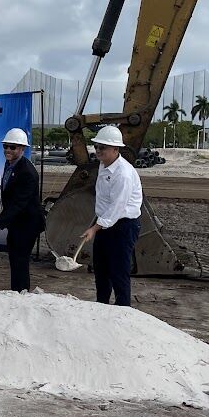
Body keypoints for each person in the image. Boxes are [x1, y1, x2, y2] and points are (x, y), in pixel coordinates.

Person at [80, 125, 143, 306]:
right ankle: (102, 306)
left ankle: (123, 308)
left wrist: (94, 228)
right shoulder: (103, 165)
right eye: (97, 146)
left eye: (103, 147)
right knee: (101, 269)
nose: (98, 150)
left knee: (118, 270)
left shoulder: (123, 174)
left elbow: (116, 208)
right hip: (106, 224)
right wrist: (96, 223)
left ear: (116, 149)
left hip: (123, 226)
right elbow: (104, 203)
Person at [0, 128, 46, 292]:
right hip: (17, 222)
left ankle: (21, 292)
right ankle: (16, 292)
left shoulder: (27, 173)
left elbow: (18, 204)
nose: (8, 150)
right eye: (6, 146)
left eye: (13, 147)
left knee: (20, 259)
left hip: (28, 223)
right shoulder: (10, 164)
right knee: (15, 257)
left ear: (22, 149)